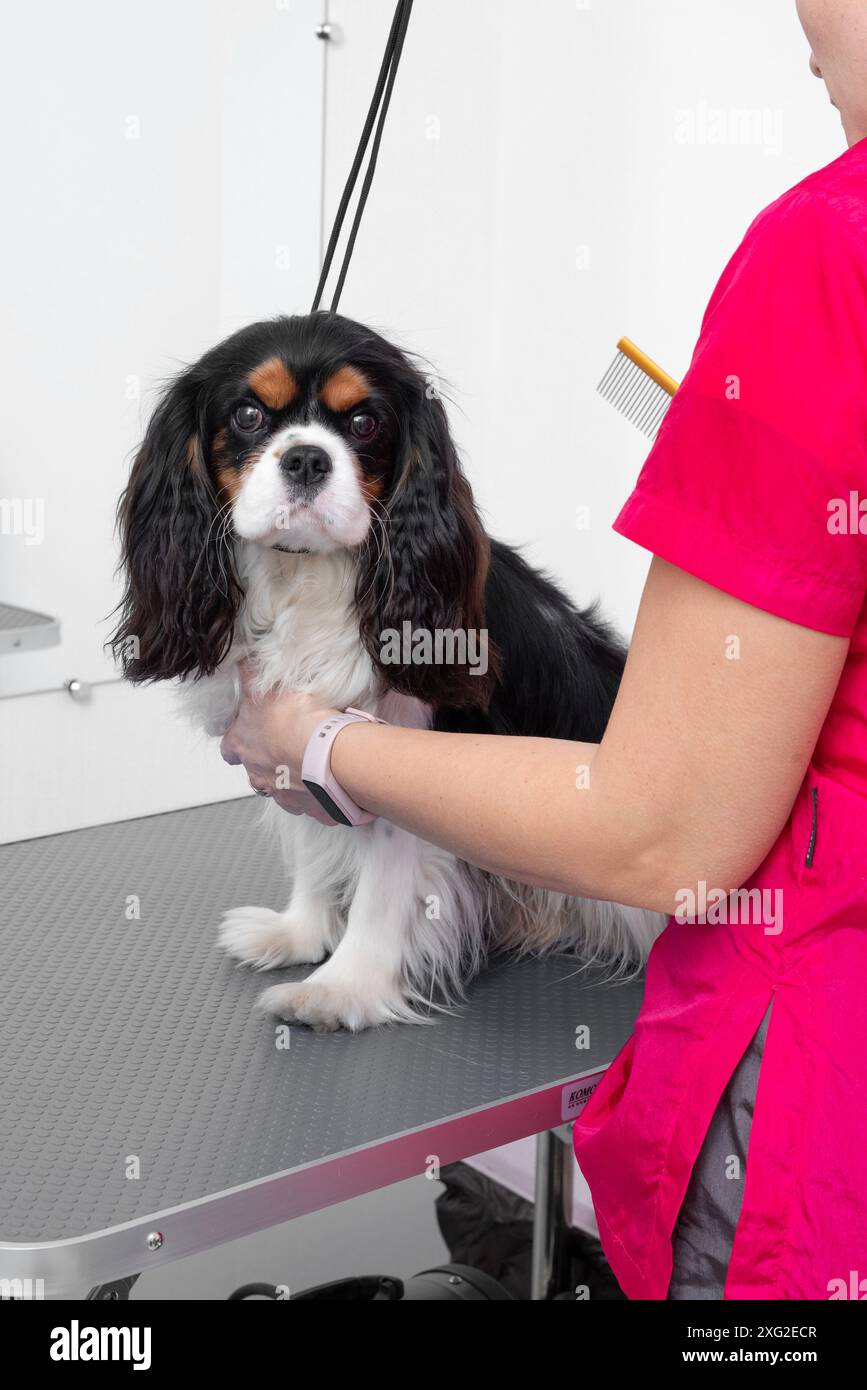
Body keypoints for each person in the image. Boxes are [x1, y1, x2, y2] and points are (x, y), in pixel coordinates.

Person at [220, 0, 867, 1300]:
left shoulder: (829, 253)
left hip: (817, 1129)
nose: (802, 29)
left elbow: (664, 835)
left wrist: (321, 747)